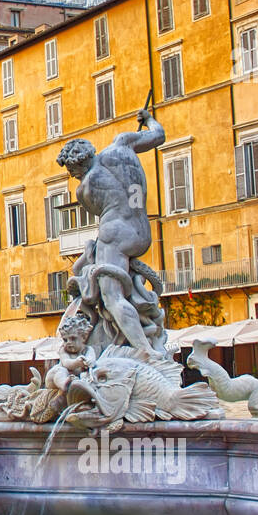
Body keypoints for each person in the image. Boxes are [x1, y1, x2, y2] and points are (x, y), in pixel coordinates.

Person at [57, 108, 167, 356]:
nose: (71, 175)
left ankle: (147, 353)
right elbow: (159, 135)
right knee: (81, 269)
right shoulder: (123, 145)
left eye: (70, 171)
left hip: (114, 235)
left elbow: (98, 212)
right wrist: (147, 119)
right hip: (140, 229)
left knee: (111, 297)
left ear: (77, 166)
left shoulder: (84, 188)